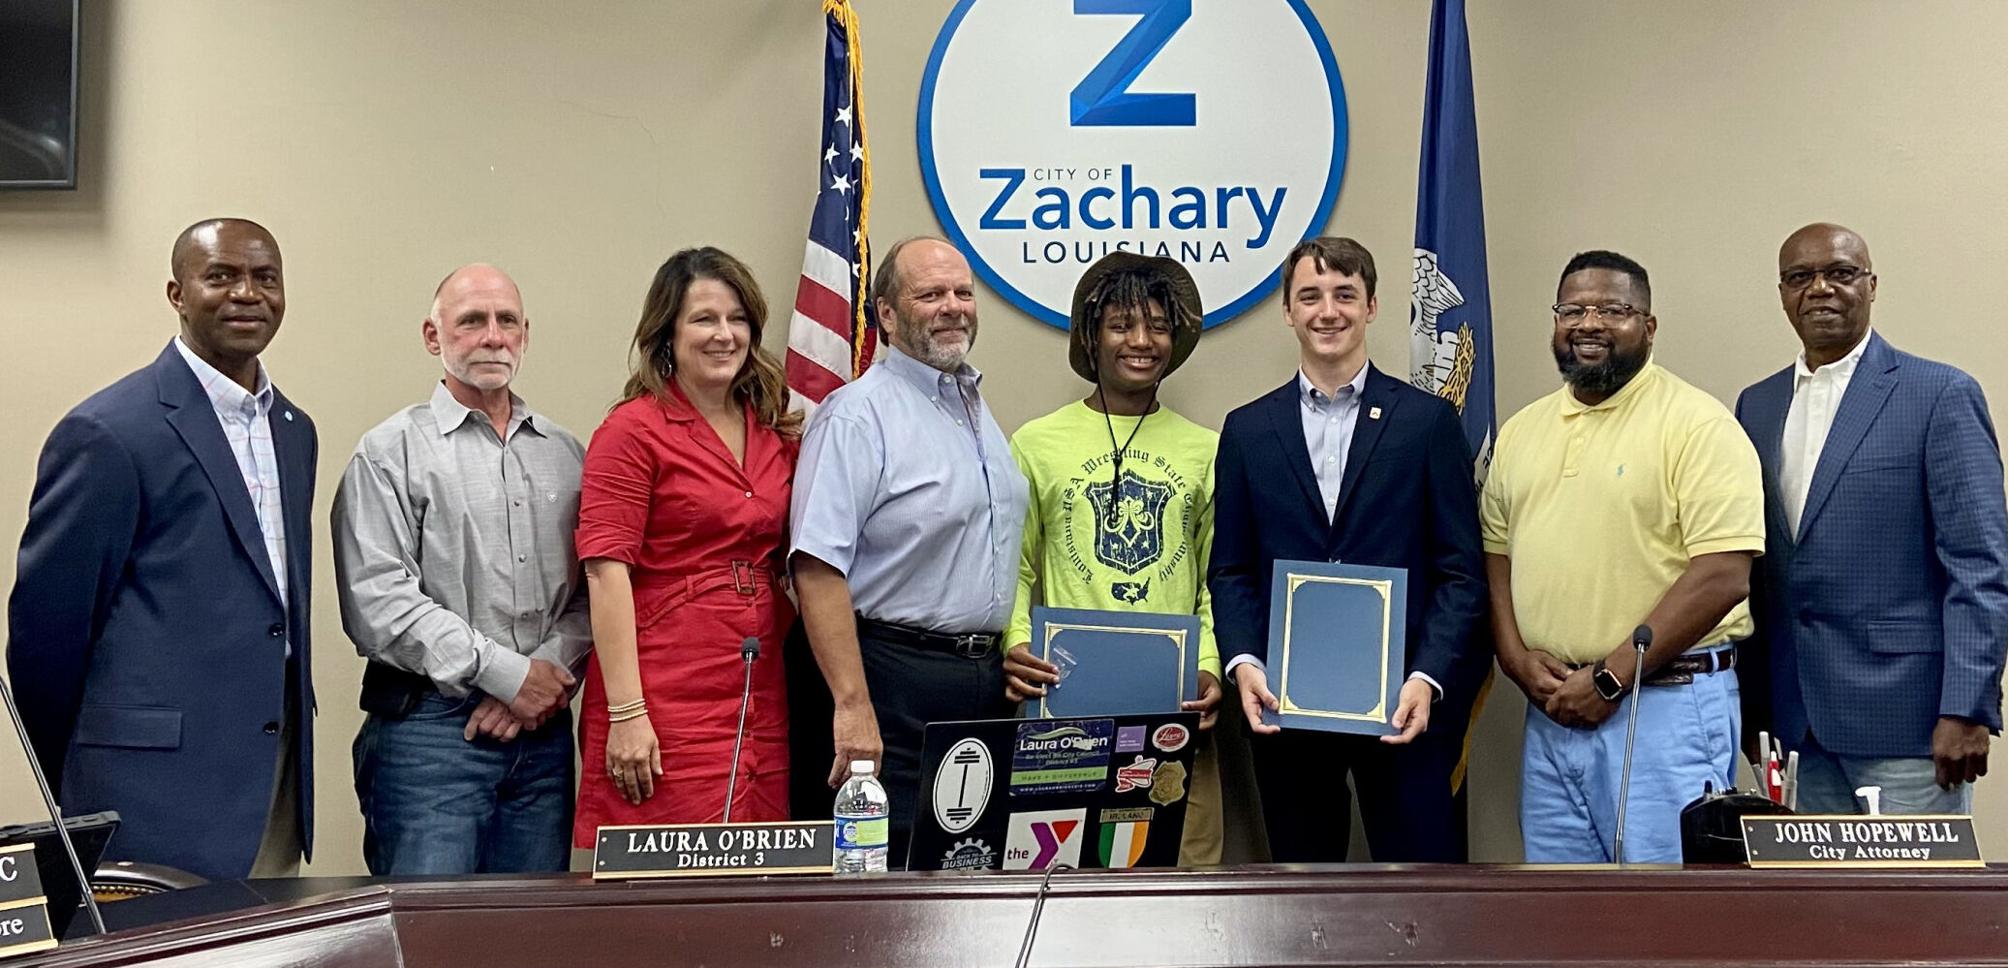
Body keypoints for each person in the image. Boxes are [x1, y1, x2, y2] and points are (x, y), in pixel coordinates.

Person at [7, 218, 316, 880]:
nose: (247, 294)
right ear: (177, 294)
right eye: (221, 276)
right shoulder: (109, 432)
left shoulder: (295, 430)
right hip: (147, 795)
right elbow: (45, 636)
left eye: (265, 278)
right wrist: (87, 760)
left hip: (271, 780)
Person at [1208, 237, 1488, 863]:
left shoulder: (1427, 422)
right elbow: (1230, 569)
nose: (1326, 311)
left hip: (1404, 707)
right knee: (1303, 898)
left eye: (1344, 295)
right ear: (1287, 311)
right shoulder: (1248, 429)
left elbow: (1460, 573)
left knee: (1422, 893)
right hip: (1286, 708)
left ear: (1372, 306)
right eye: (1309, 296)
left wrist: (1427, 676)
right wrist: (1245, 662)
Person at [1485, 250, 1763, 863]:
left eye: (1614, 309)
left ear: (1649, 326)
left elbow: (1724, 574)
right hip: (1553, 709)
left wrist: (1611, 678)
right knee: (1560, 920)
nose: (1589, 323)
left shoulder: (1698, 426)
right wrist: (1513, 657)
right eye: (1573, 309)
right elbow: (1497, 554)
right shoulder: (1522, 431)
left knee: (1667, 921)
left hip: (1666, 707)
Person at [1735, 223, 2008, 814]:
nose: (1821, 289)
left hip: (1909, 722)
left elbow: (1980, 566)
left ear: (1872, 285)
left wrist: (1967, 707)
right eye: (1800, 277)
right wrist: (1753, 713)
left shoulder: (1939, 393)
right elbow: (1760, 569)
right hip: (1795, 723)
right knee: (1819, 907)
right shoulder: (1756, 405)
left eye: (1840, 273)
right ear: (1782, 293)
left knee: (1916, 905)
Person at [332, 264, 588, 874]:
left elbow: (589, 595)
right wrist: (506, 676)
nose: (492, 336)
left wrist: (539, 678)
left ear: (526, 335)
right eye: (471, 321)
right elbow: (379, 603)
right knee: (431, 938)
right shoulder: (389, 452)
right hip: (430, 735)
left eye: (506, 321)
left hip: (544, 739)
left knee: (533, 938)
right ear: (433, 335)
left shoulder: (567, 455)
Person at [790, 236, 1029, 863]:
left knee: (965, 868)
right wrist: (852, 705)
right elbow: (816, 569)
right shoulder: (857, 416)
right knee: (881, 875)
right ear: (887, 316)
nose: (952, 307)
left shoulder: (973, 409)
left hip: (981, 684)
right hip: (889, 681)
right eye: (929, 294)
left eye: (962, 293)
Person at [1000, 252, 1226, 866]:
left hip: (1175, 709)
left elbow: (1215, 578)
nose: (1141, 341)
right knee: (1061, 888)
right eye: (1122, 324)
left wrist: (1208, 666)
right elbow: (1015, 567)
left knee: (1183, 888)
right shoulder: (1035, 442)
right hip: (1062, 707)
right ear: (1091, 336)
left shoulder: (1206, 450)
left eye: (1156, 325)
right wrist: (1017, 645)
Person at [573, 247, 802, 843]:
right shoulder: (631, 430)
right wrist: (627, 714)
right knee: (659, 888)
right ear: (666, 333)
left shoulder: (773, 430)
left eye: (738, 319)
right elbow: (605, 573)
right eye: (703, 319)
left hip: (757, 690)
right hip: (662, 696)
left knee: (756, 875)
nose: (724, 334)